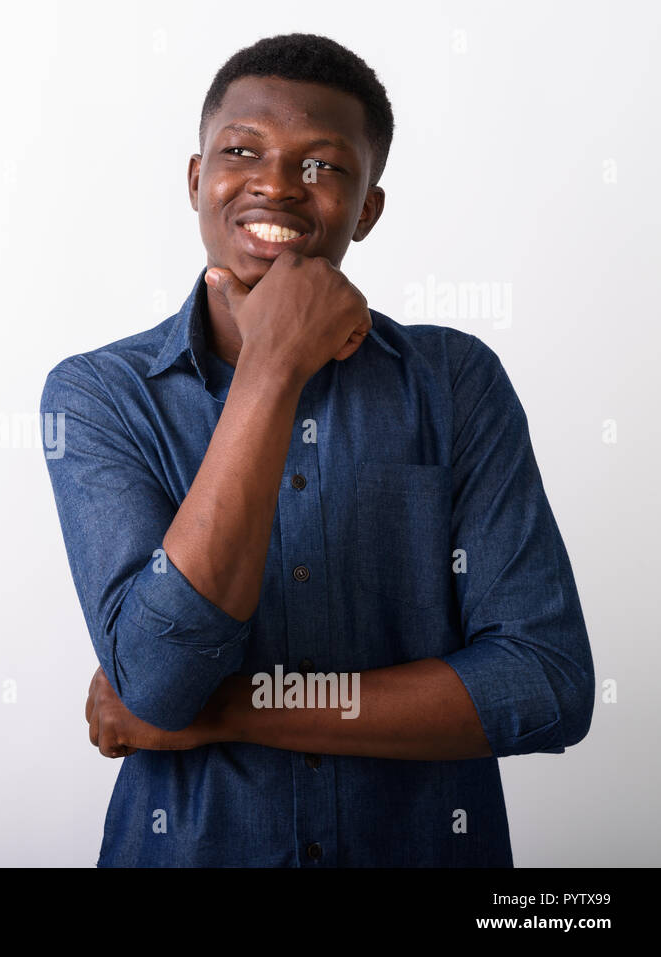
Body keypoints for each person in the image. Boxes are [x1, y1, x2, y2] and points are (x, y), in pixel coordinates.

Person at [38, 33, 594, 867]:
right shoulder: (99, 396)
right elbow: (156, 678)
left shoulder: (455, 382)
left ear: (366, 208)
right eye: (241, 150)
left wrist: (228, 711)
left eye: (323, 165)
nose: (274, 182)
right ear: (197, 180)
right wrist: (273, 366)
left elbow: (543, 684)